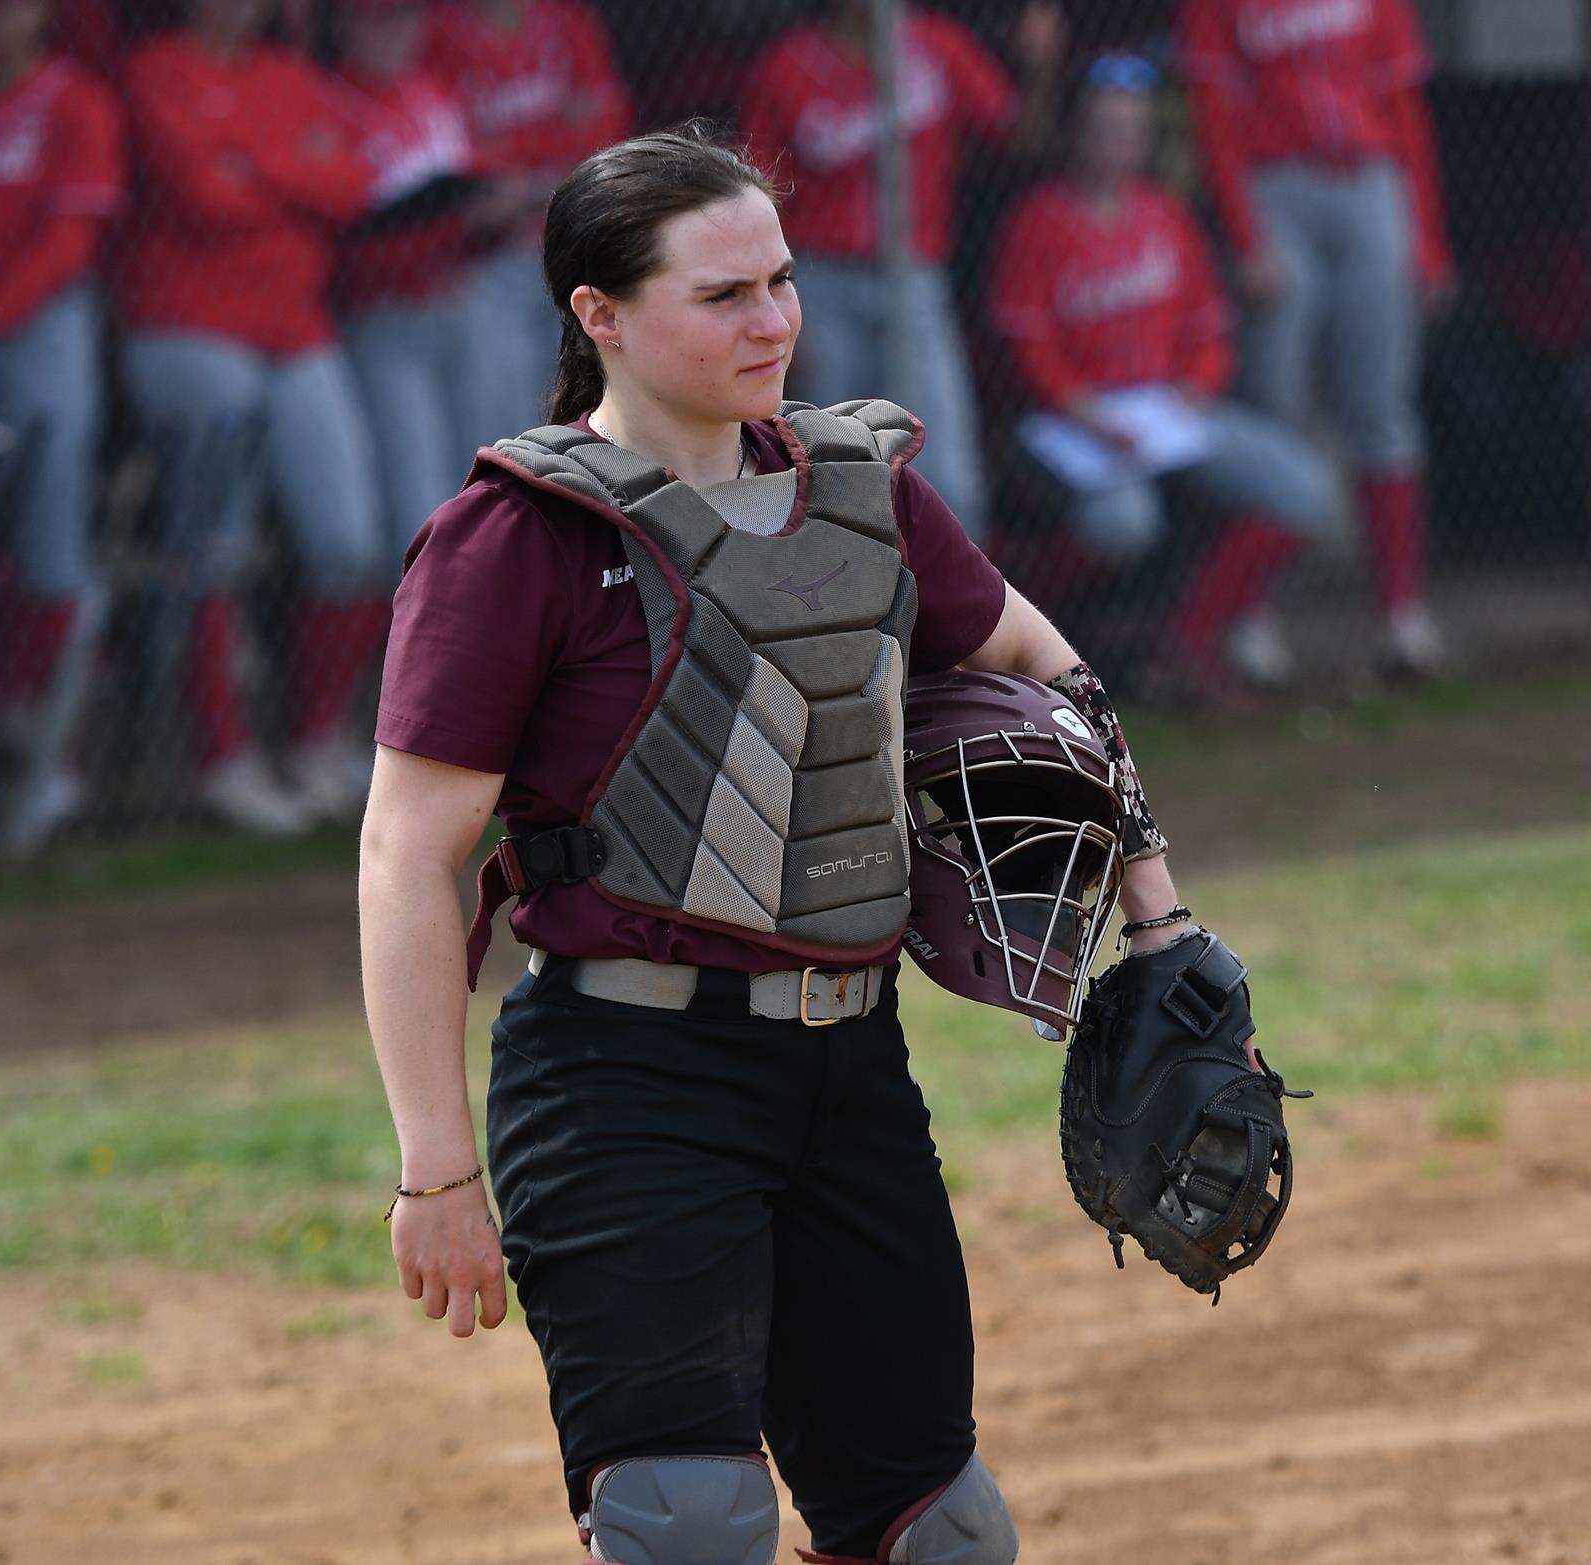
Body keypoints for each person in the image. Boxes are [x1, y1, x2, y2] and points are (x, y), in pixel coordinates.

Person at [359, 126, 1194, 1565]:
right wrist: (437, 1167)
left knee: (940, 1533)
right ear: (599, 315)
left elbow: (1048, 673)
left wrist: (1164, 922)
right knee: (687, 1523)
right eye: (725, 293)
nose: (773, 320)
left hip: (851, 1070)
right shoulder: (518, 535)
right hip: (625, 1084)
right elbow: (405, 853)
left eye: (784, 280)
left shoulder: (861, 487)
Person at [989, 53, 1346, 693]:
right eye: (1104, 127)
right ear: (1076, 133)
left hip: (1167, 414)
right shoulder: (1038, 221)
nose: (1119, 143)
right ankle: (1026, 633)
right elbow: (1028, 353)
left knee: (1302, 491)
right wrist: (1087, 412)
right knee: (1126, 525)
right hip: (1075, 423)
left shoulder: (1166, 216)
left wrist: (1198, 386)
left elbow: (1209, 333)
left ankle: (1186, 638)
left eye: (1133, 130)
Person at [119, 0, 386, 830]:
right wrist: (290, 168)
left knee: (349, 540)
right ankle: (224, 762)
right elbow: (200, 195)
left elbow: (351, 186)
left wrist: (251, 165)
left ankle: (314, 744)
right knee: (215, 545)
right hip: (184, 326)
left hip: (296, 328)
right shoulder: (155, 68)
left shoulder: (289, 74)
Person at [1177, 0, 1455, 679]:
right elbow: (1213, 116)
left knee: (1381, 405)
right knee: (1276, 404)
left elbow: (1405, 109)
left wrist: (1428, 242)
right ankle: (1254, 618)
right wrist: (1245, 238)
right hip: (1276, 188)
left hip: (1367, 179)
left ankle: (1401, 615)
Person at [736, 0, 1067, 545]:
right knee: (818, 467)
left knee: (951, 475)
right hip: (823, 281)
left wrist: (1042, 66)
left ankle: (966, 618)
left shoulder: (936, 45)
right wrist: (776, 299)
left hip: (915, 279)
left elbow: (1022, 137)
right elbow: (756, 201)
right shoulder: (789, 64)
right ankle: (819, 616)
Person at [0, 0, 122, 853]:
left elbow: (69, 245)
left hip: (41, 333)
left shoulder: (73, 99)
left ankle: (48, 758)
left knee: (48, 545)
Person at [422, 0, 632, 452]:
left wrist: (520, 174)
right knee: (504, 424)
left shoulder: (567, 22)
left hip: (575, 249)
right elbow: (457, 159)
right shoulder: (440, 33)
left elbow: (605, 136)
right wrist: (554, 155)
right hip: (486, 262)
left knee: (585, 408)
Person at [329, 0, 483, 590]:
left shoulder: (429, 93)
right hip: (384, 317)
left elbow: (461, 190)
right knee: (418, 506)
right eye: (379, 19)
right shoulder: (330, 101)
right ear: (346, 24)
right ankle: (422, 657)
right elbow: (349, 227)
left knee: (481, 489)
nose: (396, 32)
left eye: (404, 17)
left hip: (457, 303)